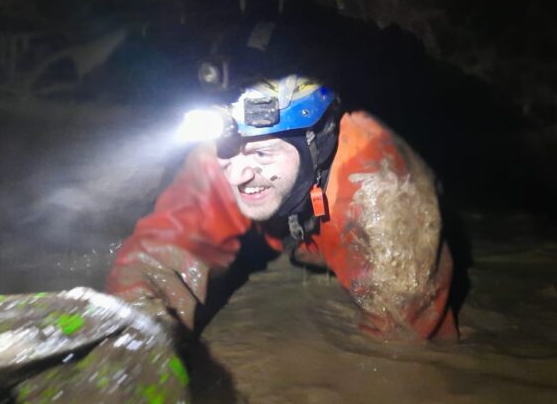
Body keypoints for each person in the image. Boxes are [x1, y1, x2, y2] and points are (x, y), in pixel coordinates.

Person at [107, 75, 457, 341]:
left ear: (316, 147)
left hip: (349, 231)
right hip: (286, 229)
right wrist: (127, 335)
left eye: (262, 153)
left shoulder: (379, 193)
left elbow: (403, 352)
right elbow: (159, 255)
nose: (238, 175)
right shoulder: (223, 159)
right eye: (226, 150)